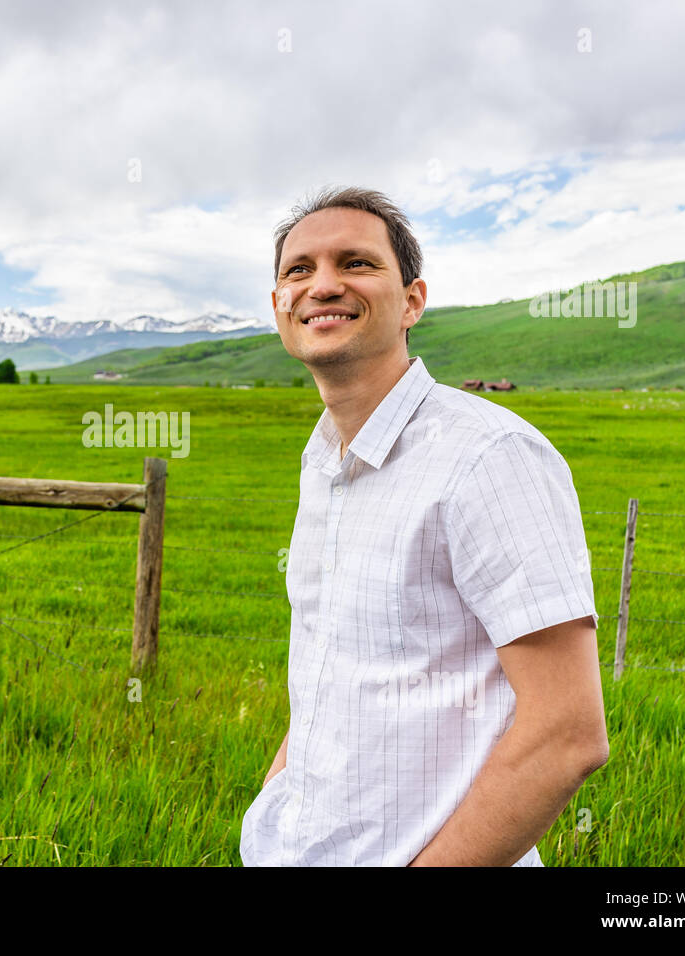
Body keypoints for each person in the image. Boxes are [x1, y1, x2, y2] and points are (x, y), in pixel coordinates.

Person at [240, 186, 608, 866]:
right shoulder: (323, 459)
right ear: (278, 308)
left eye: (356, 262)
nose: (322, 285)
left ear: (412, 300)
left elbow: (567, 733)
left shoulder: (489, 458)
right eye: (299, 270)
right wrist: (276, 809)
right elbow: (328, 670)